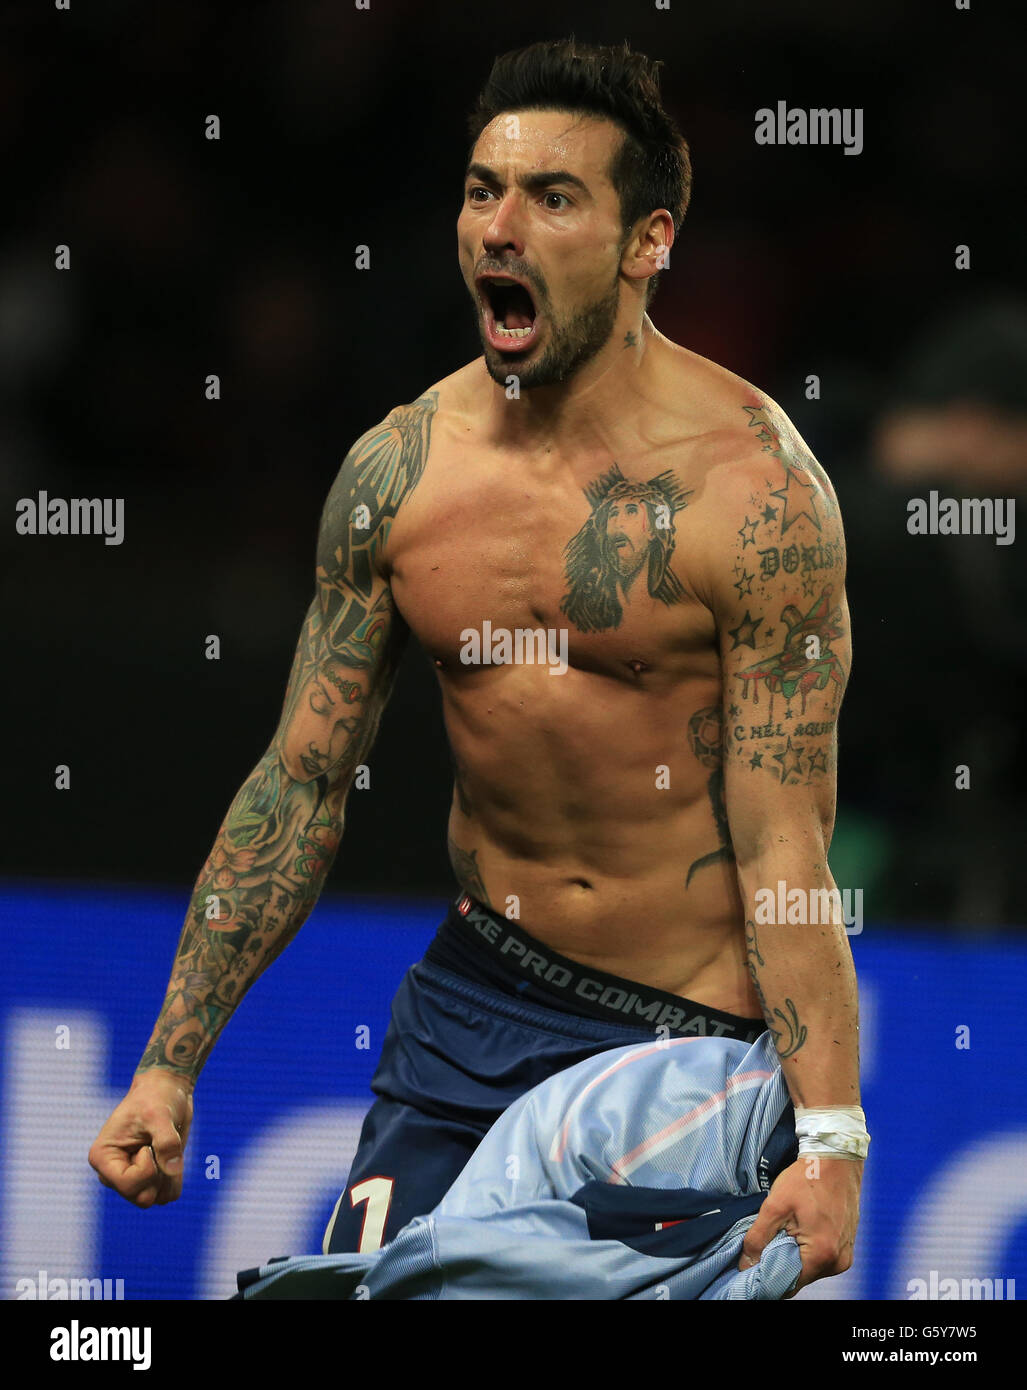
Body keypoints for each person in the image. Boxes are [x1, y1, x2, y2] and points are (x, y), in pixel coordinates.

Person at [89, 38, 864, 1295]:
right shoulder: (398, 475)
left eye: (552, 197)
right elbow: (299, 786)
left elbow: (786, 844)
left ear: (647, 242)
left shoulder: (757, 496)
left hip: (681, 1046)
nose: (499, 227)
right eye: (480, 190)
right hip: (472, 1004)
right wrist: (170, 1066)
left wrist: (829, 1137)